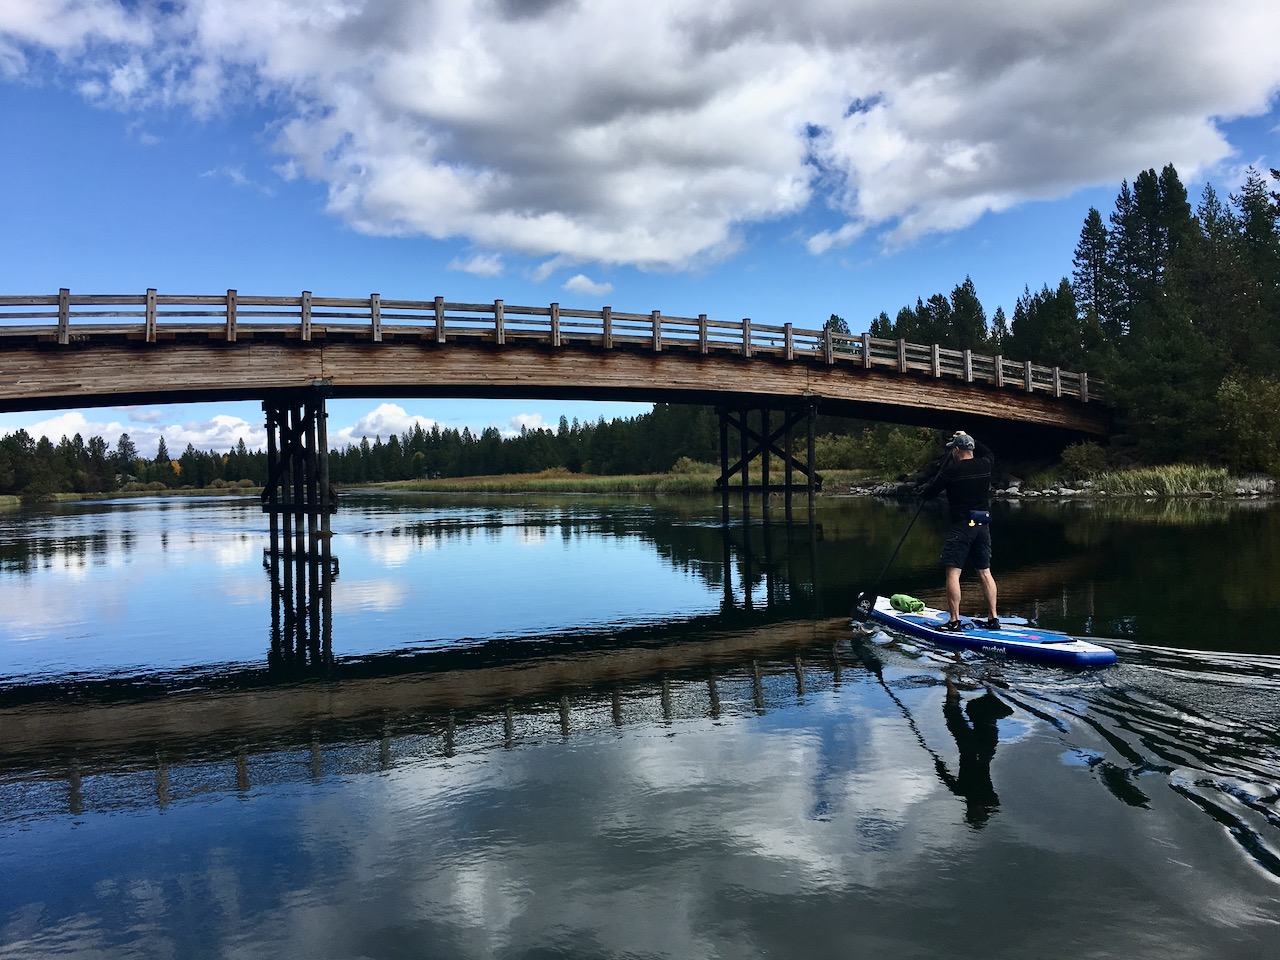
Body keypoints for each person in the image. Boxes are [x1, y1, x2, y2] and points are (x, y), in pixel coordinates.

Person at [917, 430, 999, 631]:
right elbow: (988, 452)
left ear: (957, 450)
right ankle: (993, 619)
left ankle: (954, 622)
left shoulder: (951, 471)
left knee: (953, 573)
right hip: (982, 526)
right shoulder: (985, 464)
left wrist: (925, 488)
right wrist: (972, 437)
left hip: (962, 527)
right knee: (985, 572)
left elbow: (929, 493)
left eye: (953, 449)